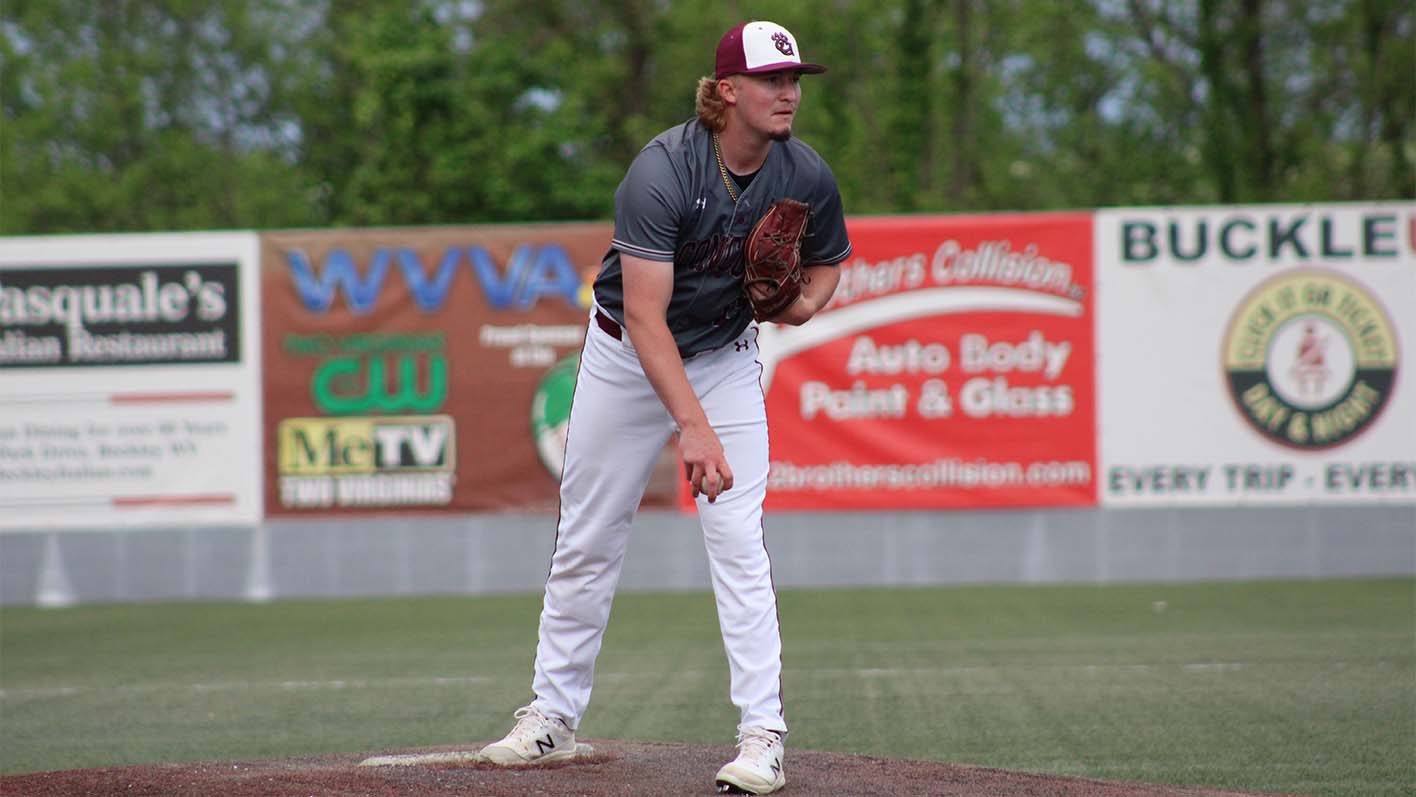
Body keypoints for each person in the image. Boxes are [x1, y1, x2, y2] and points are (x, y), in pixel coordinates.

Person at [481, 19, 851, 795]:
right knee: (588, 533)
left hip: (724, 354)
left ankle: (762, 735)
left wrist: (801, 307)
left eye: (794, 80)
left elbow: (826, 266)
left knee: (737, 537)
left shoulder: (804, 172)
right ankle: (551, 713)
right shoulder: (662, 170)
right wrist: (692, 427)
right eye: (771, 80)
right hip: (625, 354)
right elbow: (647, 316)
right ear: (726, 91)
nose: (789, 92)